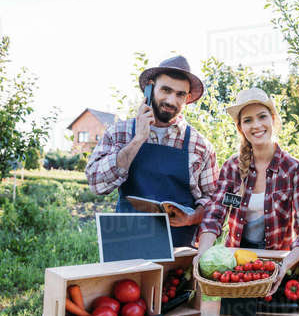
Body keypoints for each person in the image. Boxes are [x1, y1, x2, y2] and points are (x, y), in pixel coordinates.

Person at [197, 87, 299, 316]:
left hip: (276, 265)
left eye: (262, 116)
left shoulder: (292, 169)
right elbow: (214, 215)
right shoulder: (233, 168)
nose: (256, 125)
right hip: (237, 269)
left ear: (273, 119)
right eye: (248, 120)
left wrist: (285, 265)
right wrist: (202, 255)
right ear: (240, 128)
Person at [86, 55, 218, 248]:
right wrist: (138, 139)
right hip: (127, 247)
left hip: (179, 252)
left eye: (180, 94)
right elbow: (97, 185)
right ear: (150, 87)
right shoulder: (120, 132)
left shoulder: (200, 146)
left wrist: (191, 218)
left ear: (188, 98)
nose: (172, 100)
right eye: (166, 90)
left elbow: (214, 202)